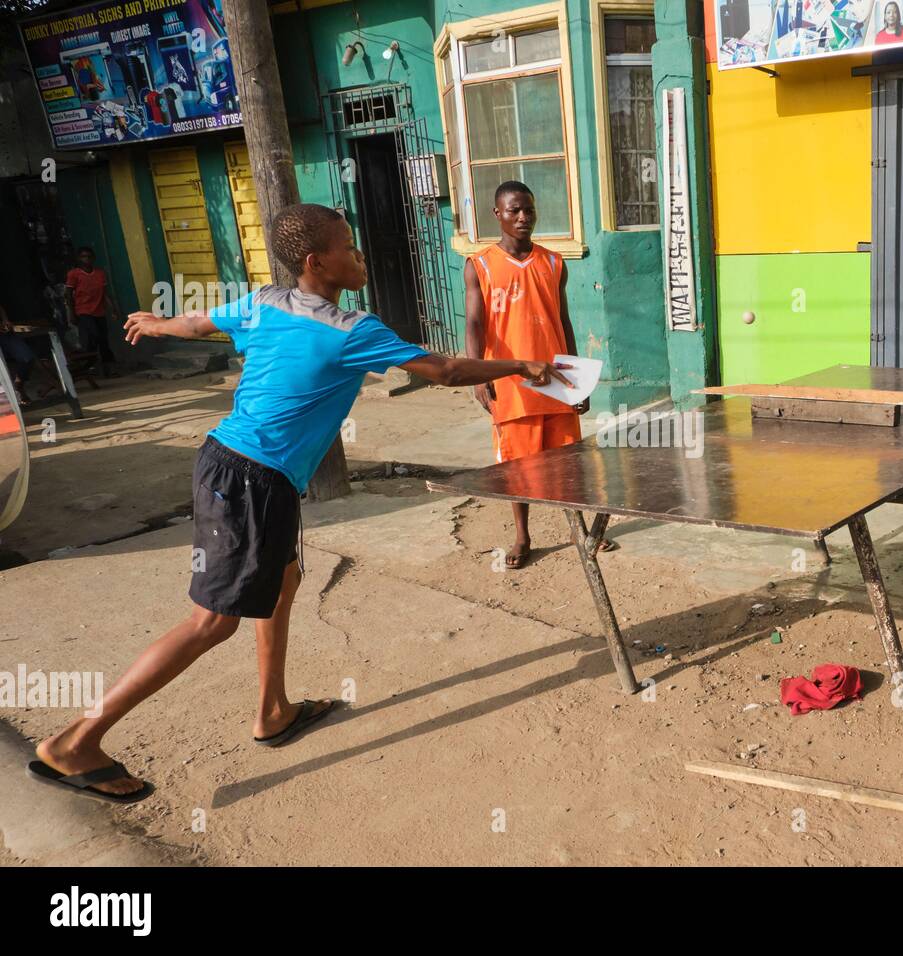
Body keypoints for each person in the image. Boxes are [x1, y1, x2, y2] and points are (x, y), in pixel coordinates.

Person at [28, 203, 571, 801]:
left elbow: (198, 324)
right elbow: (442, 369)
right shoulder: (353, 331)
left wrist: (156, 324)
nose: (360, 255)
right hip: (248, 481)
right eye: (348, 247)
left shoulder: (265, 304)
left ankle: (273, 710)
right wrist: (520, 363)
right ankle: (76, 742)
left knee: (284, 580)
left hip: (249, 474)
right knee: (212, 623)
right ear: (316, 262)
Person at [464, 180, 608, 570]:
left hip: (556, 382)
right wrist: (477, 375)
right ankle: (522, 535)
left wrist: (578, 377)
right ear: (498, 214)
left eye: (528, 209)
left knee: (568, 463)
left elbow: (563, 319)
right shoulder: (480, 265)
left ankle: (582, 532)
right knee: (518, 467)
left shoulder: (552, 262)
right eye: (514, 210)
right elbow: (475, 324)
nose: (523, 217)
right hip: (511, 385)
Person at [65, 247, 121, 377]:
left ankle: (105, 368)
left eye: (89, 257)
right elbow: (68, 295)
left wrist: (113, 309)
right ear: (79, 258)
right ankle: (89, 364)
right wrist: (71, 313)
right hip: (83, 311)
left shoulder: (100, 274)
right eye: (84, 257)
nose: (87, 259)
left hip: (99, 311)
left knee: (103, 340)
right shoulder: (74, 274)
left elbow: (105, 293)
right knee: (94, 336)